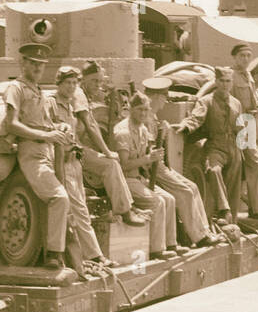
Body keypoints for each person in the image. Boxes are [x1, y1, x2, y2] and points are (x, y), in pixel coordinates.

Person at [0, 44, 76, 278]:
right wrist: (46, 135)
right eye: (33, 63)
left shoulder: (36, 89)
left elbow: (39, 120)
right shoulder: (16, 88)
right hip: (31, 151)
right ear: (22, 63)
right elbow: (12, 124)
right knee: (59, 197)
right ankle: (54, 255)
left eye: (41, 65)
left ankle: (53, 250)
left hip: (47, 150)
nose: (37, 68)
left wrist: (57, 128)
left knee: (69, 198)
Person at [45, 66, 115, 276]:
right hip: (61, 162)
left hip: (74, 161)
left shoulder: (69, 104)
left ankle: (86, 255)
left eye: (75, 83)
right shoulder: (50, 103)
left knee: (81, 208)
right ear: (59, 83)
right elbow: (45, 127)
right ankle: (94, 255)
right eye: (68, 83)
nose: (71, 87)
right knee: (77, 210)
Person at [177, 67, 258, 224]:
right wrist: (185, 126)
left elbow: (240, 127)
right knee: (213, 170)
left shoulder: (236, 103)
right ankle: (224, 210)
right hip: (216, 145)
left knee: (234, 185)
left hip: (234, 145)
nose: (225, 85)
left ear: (231, 83)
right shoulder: (206, 101)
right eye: (222, 81)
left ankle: (231, 223)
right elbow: (196, 117)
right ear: (216, 82)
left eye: (228, 81)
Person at [141, 77, 219, 246]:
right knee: (185, 192)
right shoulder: (145, 117)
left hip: (159, 165)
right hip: (151, 167)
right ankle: (198, 237)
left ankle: (204, 231)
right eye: (164, 97)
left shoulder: (152, 116)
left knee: (193, 187)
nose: (165, 101)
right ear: (155, 97)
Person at [74, 61, 148, 227]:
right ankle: (125, 211)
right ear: (83, 79)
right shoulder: (79, 94)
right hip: (74, 148)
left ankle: (127, 207)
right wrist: (107, 151)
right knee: (111, 165)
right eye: (94, 81)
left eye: (100, 81)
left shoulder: (84, 95)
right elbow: (91, 125)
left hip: (76, 147)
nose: (98, 85)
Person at [113, 93, 179, 260]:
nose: (143, 114)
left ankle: (171, 244)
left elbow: (145, 159)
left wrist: (154, 156)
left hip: (139, 179)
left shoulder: (143, 129)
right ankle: (157, 250)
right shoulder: (123, 132)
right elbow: (124, 165)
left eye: (146, 110)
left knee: (170, 199)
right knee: (157, 202)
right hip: (125, 181)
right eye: (139, 110)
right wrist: (148, 158)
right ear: (131, 110)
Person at [229, 43, 258, 217]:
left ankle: (256, 207)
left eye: (248, 55)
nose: (246, 59)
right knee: (257, 165)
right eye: (242, 56)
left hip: (253, 124)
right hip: (240, 125)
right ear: (234, 58)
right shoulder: (231, 76)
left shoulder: (248, 75)